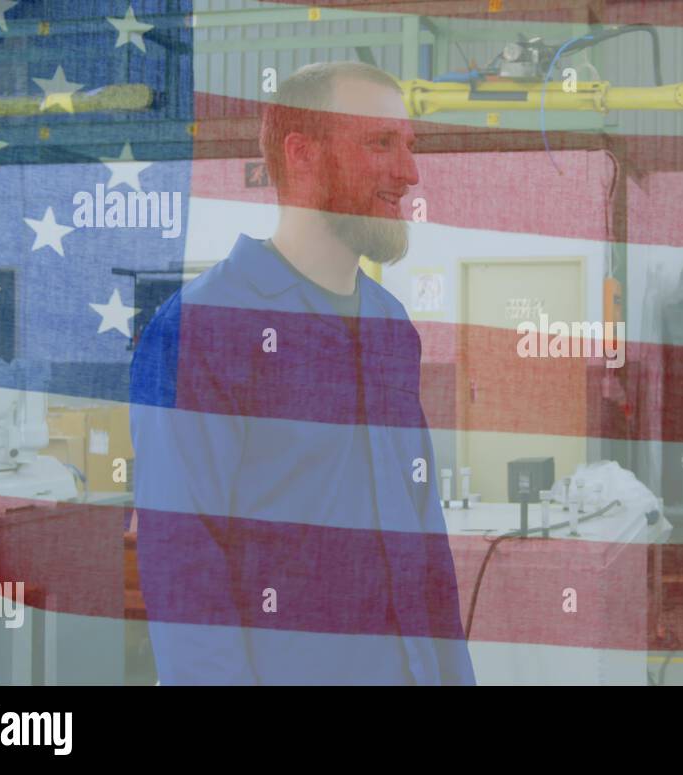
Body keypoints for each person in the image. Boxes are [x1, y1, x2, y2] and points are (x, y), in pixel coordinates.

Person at [130, 62, 475, 685]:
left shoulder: (391, 326)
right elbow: (184, 566)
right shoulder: (202, 328)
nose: (409, 172)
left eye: (409, 145)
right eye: (380, 143)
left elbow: (424, 539)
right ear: (303, 154)